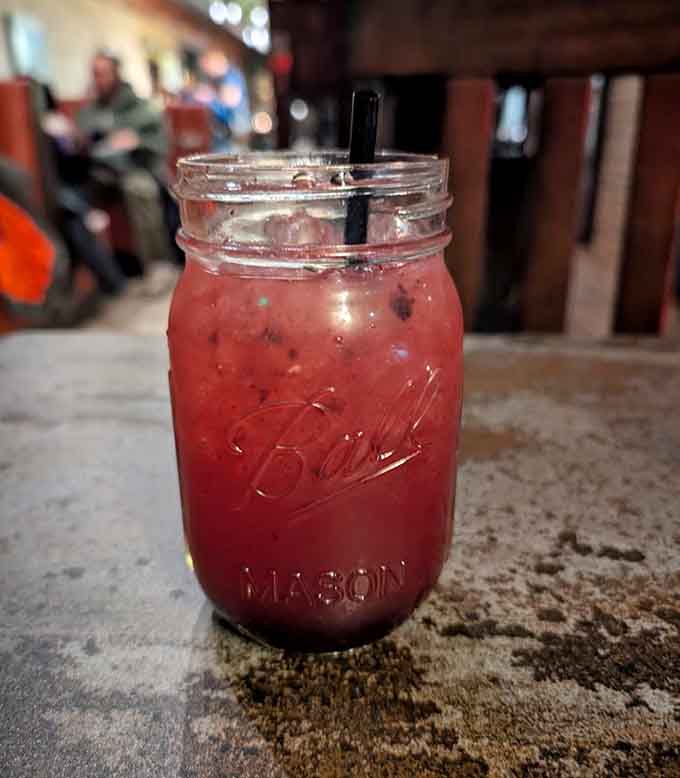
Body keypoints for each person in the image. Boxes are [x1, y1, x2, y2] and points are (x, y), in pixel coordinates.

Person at [76, 51, 175, 283]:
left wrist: (136, 141)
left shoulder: (140, 107)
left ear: (116, 74)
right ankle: (98, 272)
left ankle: (158, 264)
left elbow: (161, 144)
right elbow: (80, 140)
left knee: (140, 189)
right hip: (98, 173)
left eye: (103, 74)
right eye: (94, 74)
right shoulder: (89, 111)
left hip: (136, 170)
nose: (98, 80)